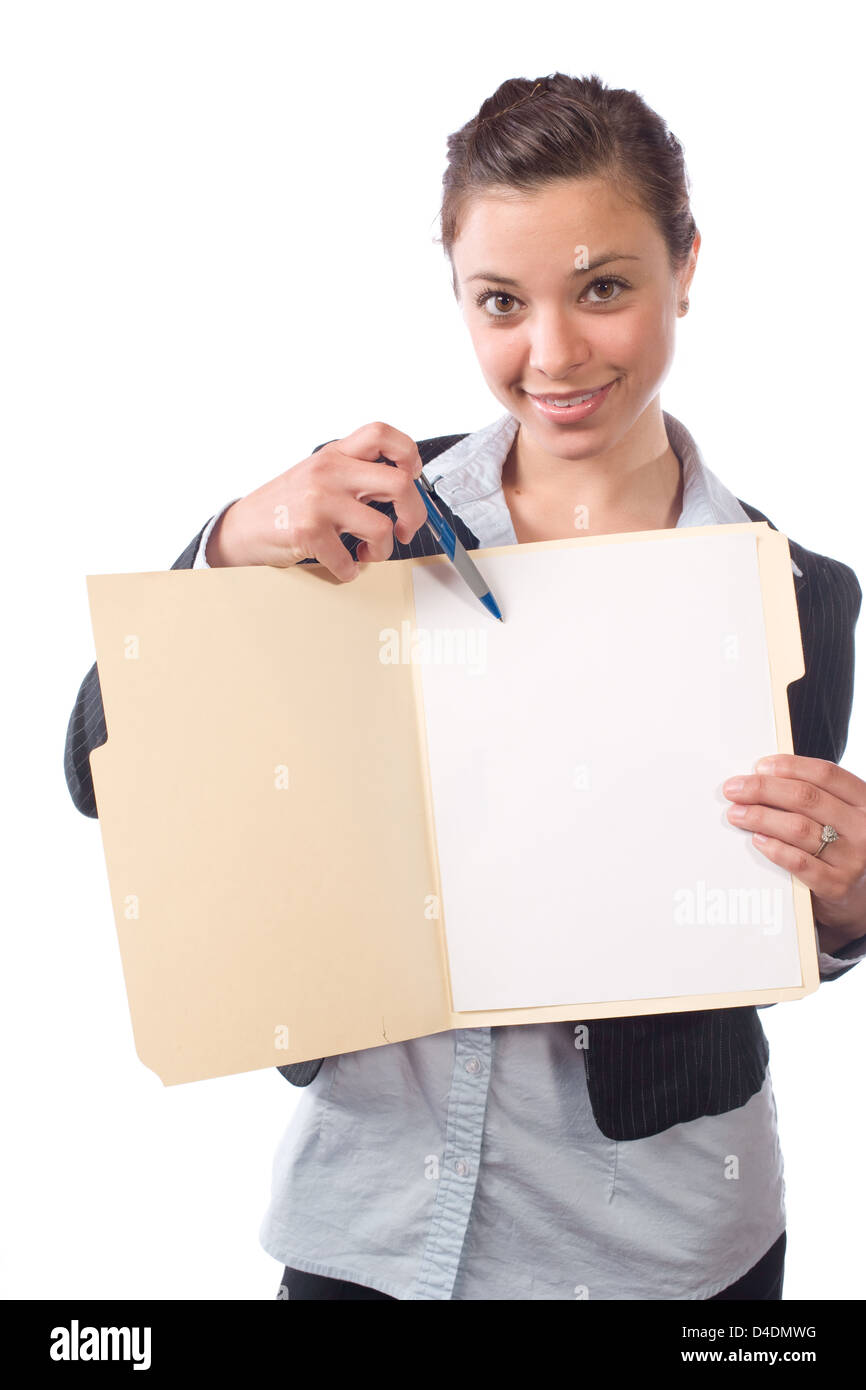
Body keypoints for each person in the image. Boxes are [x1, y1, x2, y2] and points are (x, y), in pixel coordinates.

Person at [64, 71, 866, 1301]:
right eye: (500, 302)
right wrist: (229, 542)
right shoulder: (355, 518)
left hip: (663, 1251)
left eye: (602, 287)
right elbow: (96, 767)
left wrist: (850, 901)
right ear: (458, 295)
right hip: (371, 1227)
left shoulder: (792, 592)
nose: (550, 354)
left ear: (686, 264)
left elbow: (774, 933)